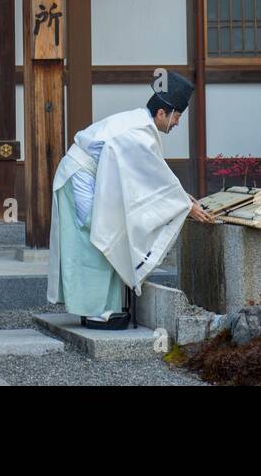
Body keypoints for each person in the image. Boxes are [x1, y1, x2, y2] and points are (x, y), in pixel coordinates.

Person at [47, 70, 215, 329]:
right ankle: (95, 310)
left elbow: (153, 173)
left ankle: (104, 306)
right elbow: (153, 177)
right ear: (162, 113)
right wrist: (185, 205)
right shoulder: (138, 131)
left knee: (108, 231)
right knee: (97, 235)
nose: (177, 123)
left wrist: (183, 198)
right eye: (177, 116)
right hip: (81, 176)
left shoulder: (141, 125)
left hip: (88, 177)